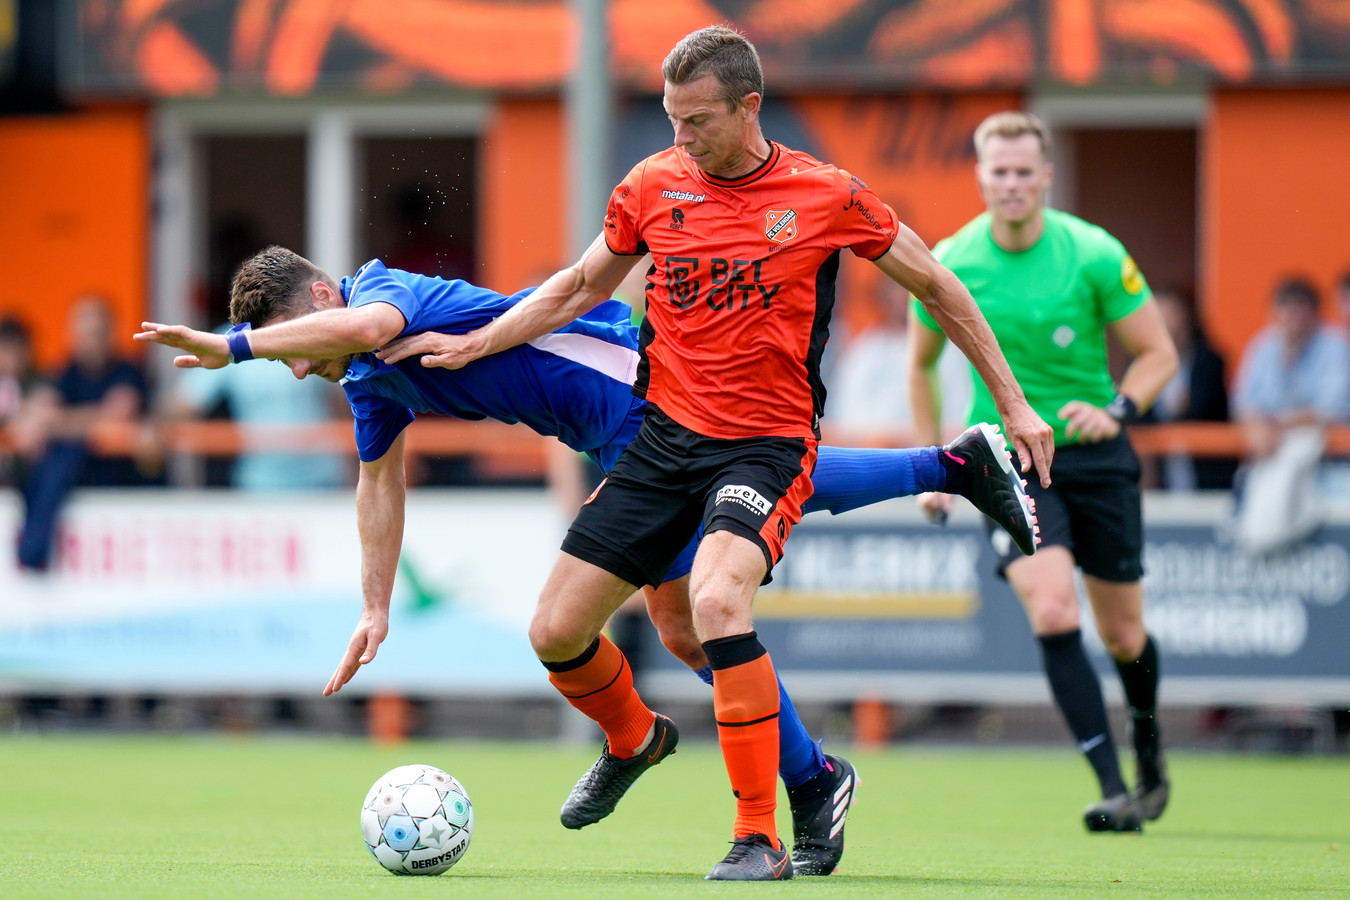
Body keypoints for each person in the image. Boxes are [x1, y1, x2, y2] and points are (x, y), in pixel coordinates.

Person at [360, 27, 1052, 880]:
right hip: (661, 440)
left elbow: (941, 287)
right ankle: (671, 746)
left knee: (720, 602)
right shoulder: (652, 185)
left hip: (767, 444)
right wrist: (478, 345)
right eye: (669, 119)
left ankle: (758, 836)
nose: (680, 138)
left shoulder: (826, 193)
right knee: (555, 628)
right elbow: (580, 285)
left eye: (696, 121)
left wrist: (1015, 400)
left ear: (748, 107)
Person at [138, 241, 1041, 876]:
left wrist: (236, 348)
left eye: (293, 346)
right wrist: (375, 607)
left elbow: (370, 323)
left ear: (319, 302)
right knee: (684, 627)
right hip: (614, 443)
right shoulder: (370, 381)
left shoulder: (383, 296)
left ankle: (730, 767)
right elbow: (379, 486)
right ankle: (781, 765)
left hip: (642, 400)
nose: (299, 373)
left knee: (660, 613)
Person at [908, 111, 1179, 834]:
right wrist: (935, 462)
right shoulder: (950, 260)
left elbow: (1158, 356)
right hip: (1006, 459)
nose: (1013, 184)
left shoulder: (1092, 252)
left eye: (1026, 171)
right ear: (981, 176)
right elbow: (920, 366)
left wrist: (1118, 407)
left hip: (1094, 457)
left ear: (1047, 176)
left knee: (1125, 636)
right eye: (999, 172)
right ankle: (1112, 785)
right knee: (1055, 609)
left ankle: (1148, 748)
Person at [16, 297, 152, 571]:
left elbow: (116, 414)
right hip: (77, 485)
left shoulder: (128, 370)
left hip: (120, 489)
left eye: (97, 333)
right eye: (85, 334)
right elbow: (36, 413)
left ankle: (31, 550)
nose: (91, 342)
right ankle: (31, 550)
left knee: (64, 455)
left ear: (111, 332)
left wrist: (56, 422)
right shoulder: (66, 371)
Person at [1230, 277, 1350, 549]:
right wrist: (1258, 427)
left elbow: (1332, 409)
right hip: (1266, 451)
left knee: (1295, 459)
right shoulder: (1264, 345)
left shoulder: (1335, 346)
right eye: (1286, 307)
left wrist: (1277, 425)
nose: (1294, 316)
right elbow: (1243, 403)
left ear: (1316, 312)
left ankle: (1271, 534)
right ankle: (1254, 532)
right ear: (1274, 311)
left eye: (1301, 308)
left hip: (1328, 460)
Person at [1143, 287, 1235, 491]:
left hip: (1206, 471)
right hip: (1161, 472)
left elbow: (1203, 409)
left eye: (1171, 314)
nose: (1165, 322)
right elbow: (1139, 415)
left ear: (1187, 318)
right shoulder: (1141, 363)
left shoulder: (1209, 361)